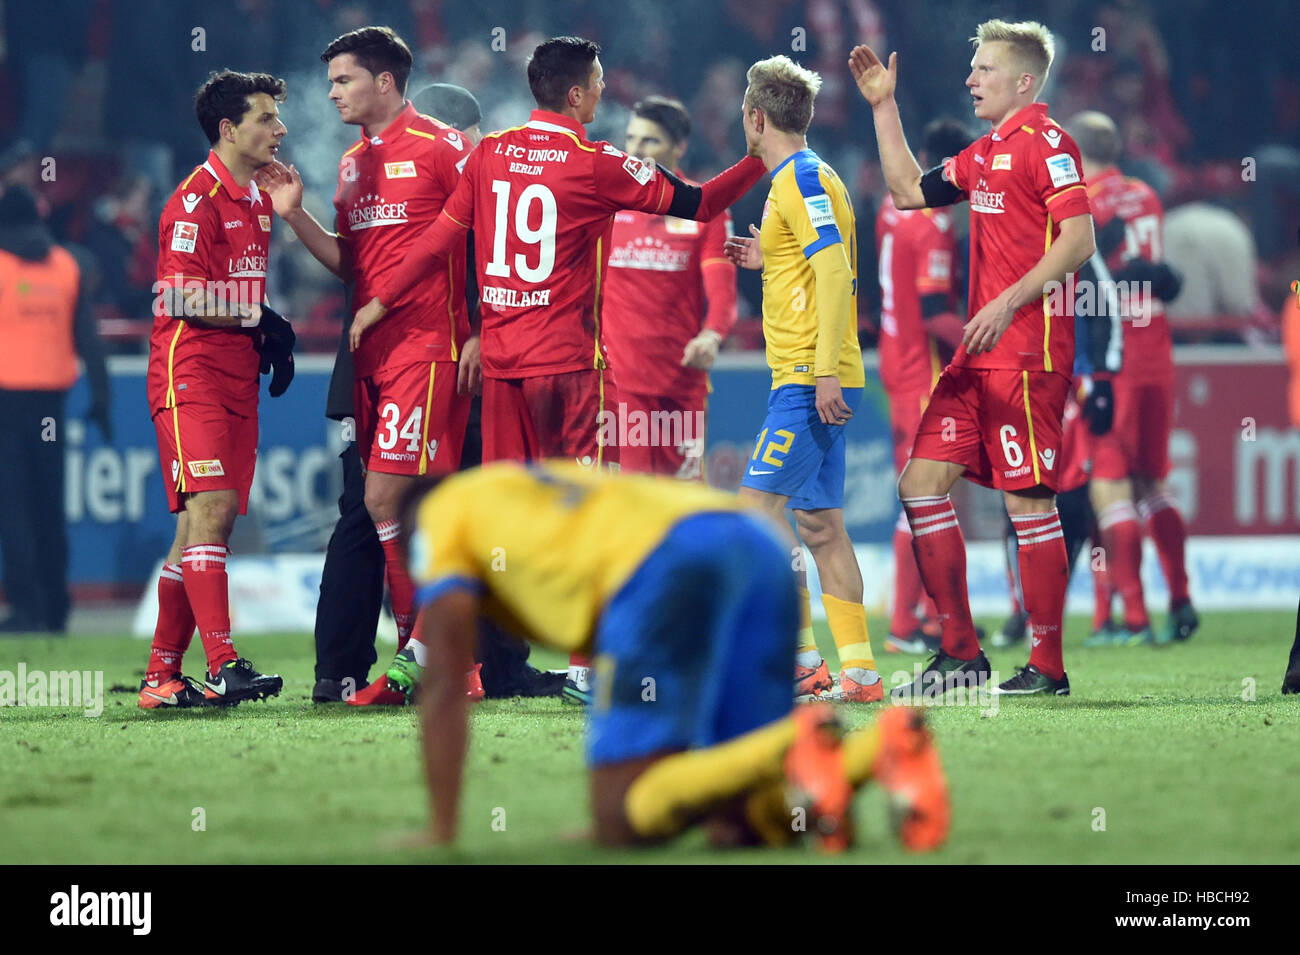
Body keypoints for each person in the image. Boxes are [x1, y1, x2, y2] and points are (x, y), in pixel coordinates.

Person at [349, 35, 768, 705]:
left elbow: (436, 240)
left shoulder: (491, 154)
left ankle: (421, 655)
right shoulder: (597, 163)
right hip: (569, 370)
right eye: (599, 82)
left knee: (492, 518)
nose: (606, 91)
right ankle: (583, 668)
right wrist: (756, 158)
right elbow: (703, 204)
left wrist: (378, 300)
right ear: (576, 93)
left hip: (505, 373)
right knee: (590, 512)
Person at [401, 461, 950, 852]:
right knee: (743, 822)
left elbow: (446, 681)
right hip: (752, 541)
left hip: (663, 563)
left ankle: (794, 739)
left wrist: (441, 829)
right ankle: (882, 743)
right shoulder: (511, 488)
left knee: (621, 819)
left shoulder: (438, 519)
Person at [850, 19, 1096, 698]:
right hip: (977, 356)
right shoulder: (986, 150)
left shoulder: (1052, 144)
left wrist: (1010, 300)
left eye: (984, 69)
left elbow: (1079, 240)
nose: (970, 80)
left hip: (1027, 351)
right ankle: (961, 653)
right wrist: (883, 106)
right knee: (918, 485)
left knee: (1028, 504)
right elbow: (906, 189)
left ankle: (1047, 667)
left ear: (1023, 80)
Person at [256, 28, 477, 707]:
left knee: (384, 500)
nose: (332, 93)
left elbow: (484, 245)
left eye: (343, 80)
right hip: (370, 360)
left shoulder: (444, 149)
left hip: (426, 348)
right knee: (404, 511)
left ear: (385, 81)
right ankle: (439, 662)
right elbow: (354, 265)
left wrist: (486, 331)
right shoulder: (352, 163)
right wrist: (296, 218)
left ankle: (430, 656)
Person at [721, 56, 882, 703]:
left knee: (754, 516)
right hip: (813, 376)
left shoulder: (799, 178)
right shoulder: (807, 178)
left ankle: (797, 661)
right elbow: (815, 263)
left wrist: (820, 375)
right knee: (819, 525)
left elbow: (837, 273)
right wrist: (770, 257)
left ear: (756, 118)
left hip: (809, 380)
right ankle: (861, 673)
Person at [138, 70, 293, 709]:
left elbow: (236, 296)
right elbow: (178, 293)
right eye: (266, 118)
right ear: (229, 129)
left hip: (234, 376)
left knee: (206, 523)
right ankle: (224, 663)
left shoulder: (257, 200)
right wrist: (260, 318)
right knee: (212, 509)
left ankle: (160, 678)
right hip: (189, 372)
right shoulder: (193, 200)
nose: (280, 129)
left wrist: (260, 333)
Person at [1065, 110, 1196, 647]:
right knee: (1154, 483)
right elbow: (1158, 273)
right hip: (1158, 356)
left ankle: (1136, 618)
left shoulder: (1084, 202)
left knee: (1111, 488)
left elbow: (1082, 283)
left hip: (1111, 356)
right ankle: (1182, 599)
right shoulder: (1146, 194)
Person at [874, 117, 971, 656]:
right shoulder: (931, 221)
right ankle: (907, 623)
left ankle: (924, 618)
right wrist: (981, 341)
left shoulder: (891, 207)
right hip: (921, 370)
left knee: (919, 489)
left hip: (895, 359)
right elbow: (935, 311)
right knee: (925, 491)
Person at [602, 95, 738, 479]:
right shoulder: (607, 205)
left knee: (684, 511)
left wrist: (712, 336)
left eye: (649, 141)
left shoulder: (704, 208)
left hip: (680, 386)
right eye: (631, 139)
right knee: (631, 508)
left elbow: (722, 291)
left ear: (679, 147)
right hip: (619, 387)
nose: (636, 150)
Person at [0, 185, 110, 634]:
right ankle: (56, 607)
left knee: (14, 508)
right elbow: (89, 339)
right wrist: (103, 401)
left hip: (7, 403)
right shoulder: (66, 265)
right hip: (52, 406)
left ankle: (27, 609)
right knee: (49, 504)